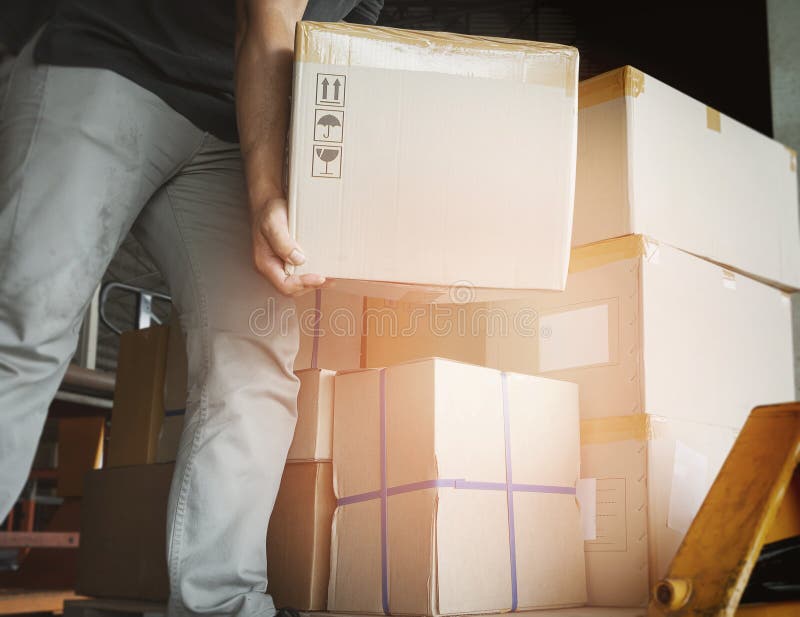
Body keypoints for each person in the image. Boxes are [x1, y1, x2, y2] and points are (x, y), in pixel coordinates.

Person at [0, 1, 383, 616]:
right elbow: (266, 22)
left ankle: (223, 604)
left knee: (254, 368)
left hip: (237, 120)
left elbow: (332, 52)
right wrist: (267, 196)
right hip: (117, 54)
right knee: (24, 323)